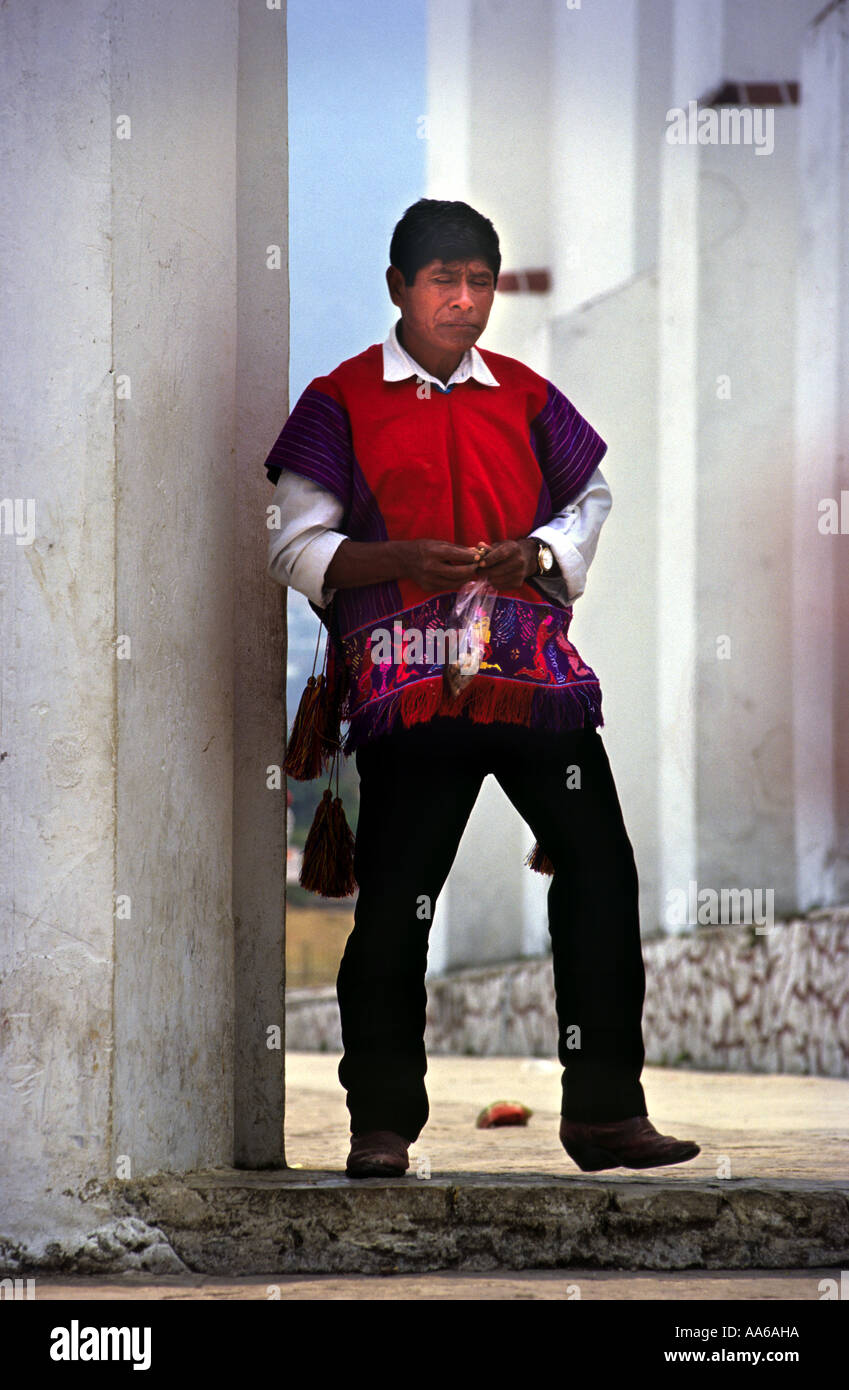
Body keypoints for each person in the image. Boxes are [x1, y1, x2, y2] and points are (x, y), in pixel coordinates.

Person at [264, 198, 699, 1178]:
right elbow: (295, 547)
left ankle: (603, 1111)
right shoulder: (340, 403)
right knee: (398, 902)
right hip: (410, 688)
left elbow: (589, 499)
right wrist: (397, 555)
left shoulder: (527, 395)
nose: (463, 302)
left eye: (479, 282)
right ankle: (380, 1123)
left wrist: (535, 549)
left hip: (530, 679)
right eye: (441, 281)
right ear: (397, 289)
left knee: (599, 864)